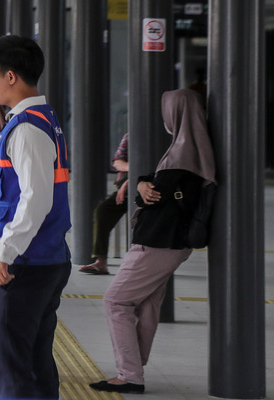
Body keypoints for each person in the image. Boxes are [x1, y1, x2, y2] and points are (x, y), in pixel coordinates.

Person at [91, 89, 216, 395]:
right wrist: (144, 184)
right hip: (169, 244)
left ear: (177, 114)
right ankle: (134, 369)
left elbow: (157, 196)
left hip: (157, 242)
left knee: (116, 300)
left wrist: (144, 188)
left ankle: (130, 374)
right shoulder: (190, 149)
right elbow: (152, 187)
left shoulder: (182, 155)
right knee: (146, 305)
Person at [0, 35, 71, 400]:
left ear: (11, 76)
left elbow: (35, 200)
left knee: (11, 368)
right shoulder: (39, 119)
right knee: (34, 364)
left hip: (23, 265)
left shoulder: (28, 129)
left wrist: (5, 250)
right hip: (42, 259)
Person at [80, 132, 130, 275]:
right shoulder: (129, 136)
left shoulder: (161, 137)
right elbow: (117, 162)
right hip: (125, 190)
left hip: (149, 187)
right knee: (102, 212)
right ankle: (100, 261)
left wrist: (129, 180)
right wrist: (135, 167)